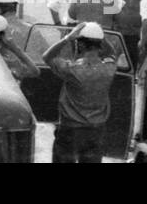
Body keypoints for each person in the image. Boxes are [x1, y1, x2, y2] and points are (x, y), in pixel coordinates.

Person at [43, 22, 118, 163]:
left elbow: (47, 56)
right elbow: (112, 53)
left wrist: (67, 38)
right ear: (100, 46)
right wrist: (99, 35)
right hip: (97, 130)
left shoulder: (71, 70)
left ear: (81, 45)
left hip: (71, 129)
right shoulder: (109, 68)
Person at [0, 13, 40, 82]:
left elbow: (34, 71)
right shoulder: (2, 61)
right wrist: (15, 49)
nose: (0, 39)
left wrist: (15, 48)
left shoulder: (7, 60)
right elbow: (34, 71)